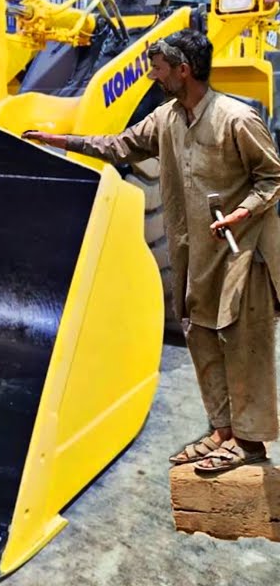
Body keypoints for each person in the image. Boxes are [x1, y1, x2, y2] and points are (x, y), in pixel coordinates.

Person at [23, 29, 280, 475]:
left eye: (159, 66)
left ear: (184, 70)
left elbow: (272, 178)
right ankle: (222, 431)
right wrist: (62, 141)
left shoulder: (237, 119)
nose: (153, 74)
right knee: (201, 336)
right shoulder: (166, 119)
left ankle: (250, 442)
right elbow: (121, 146)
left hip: (243, 253)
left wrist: (241, 213)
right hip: (195, 252)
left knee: (242, 342)